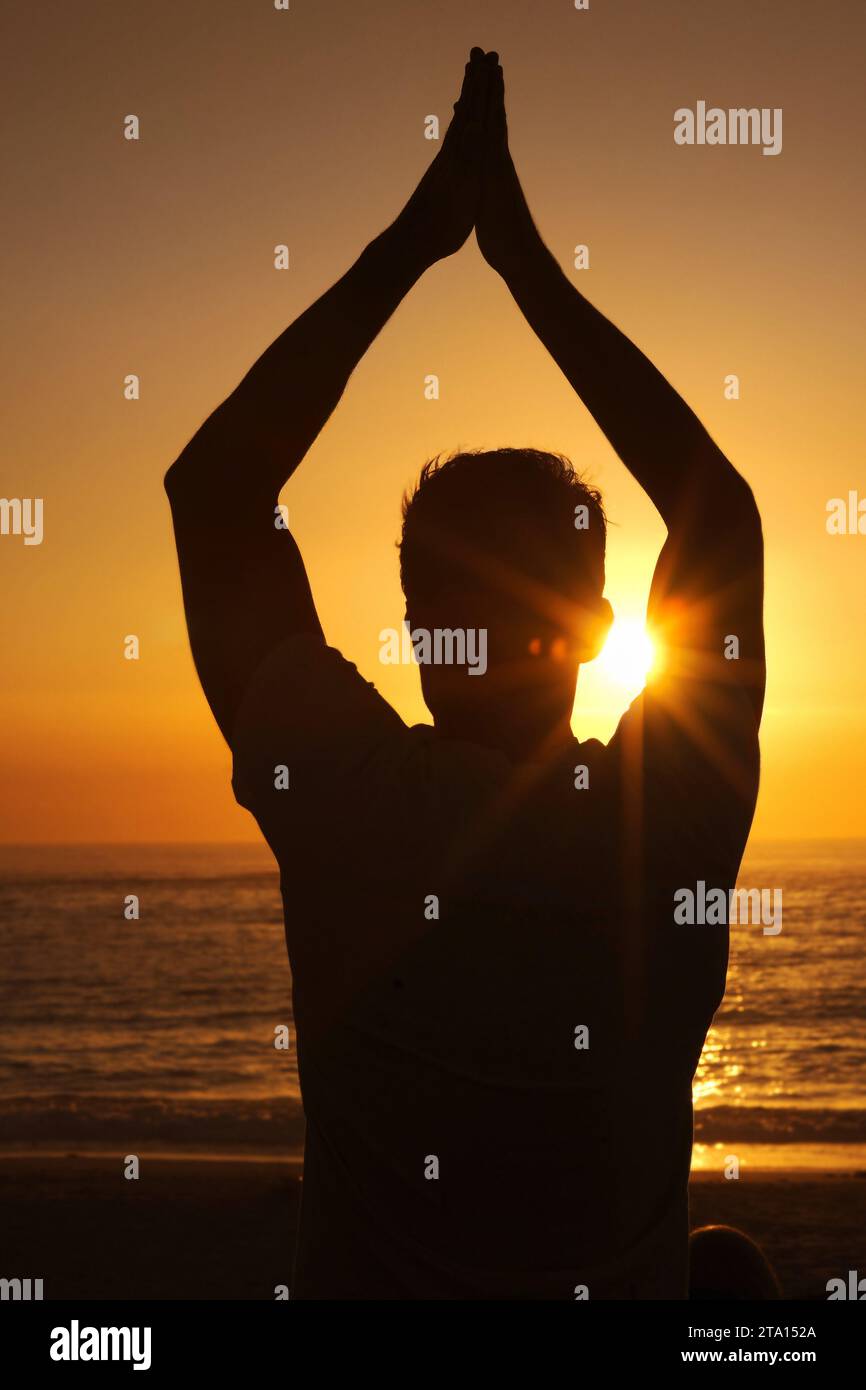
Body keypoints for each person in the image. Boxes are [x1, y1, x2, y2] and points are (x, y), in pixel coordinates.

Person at [165, 49, 765, 1299]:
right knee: (734, 1284)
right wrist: (523, 265)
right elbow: (719, 519)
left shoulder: (342, 792)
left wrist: (419, 240)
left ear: (417, 623)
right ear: (597, 624)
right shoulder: (671, 821)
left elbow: (215, 491)